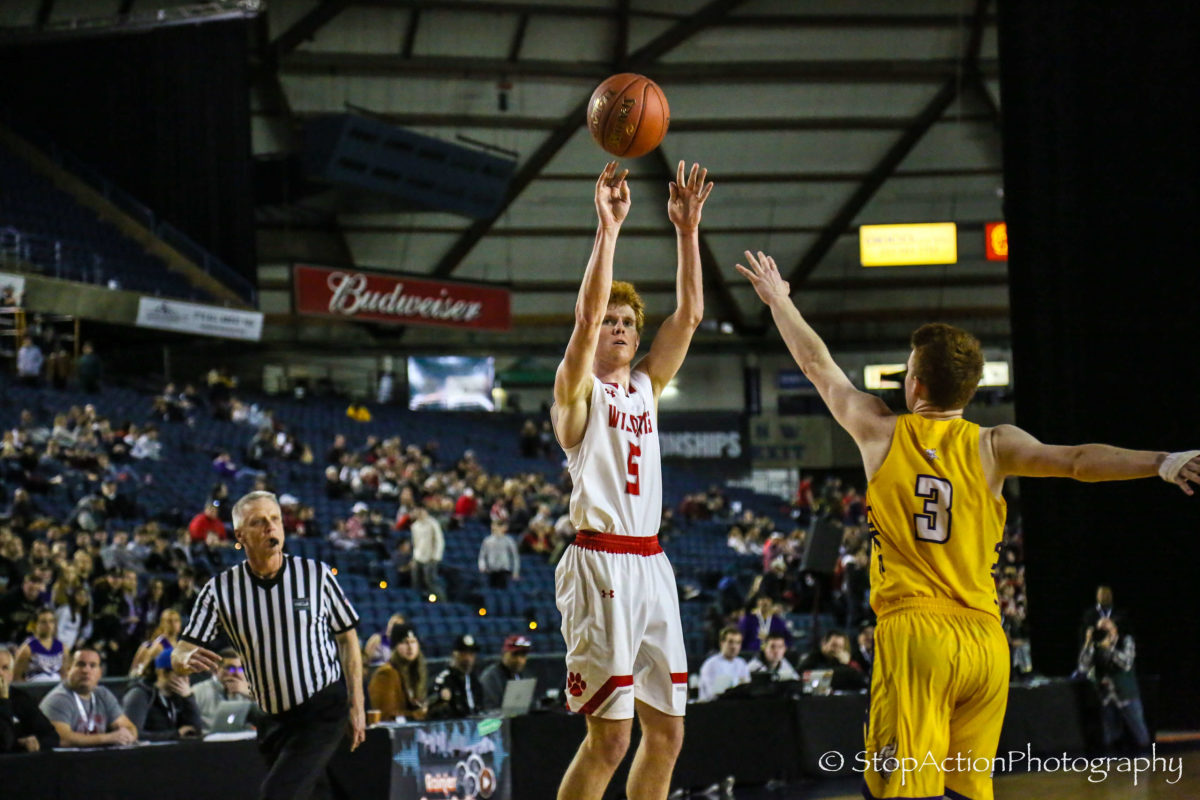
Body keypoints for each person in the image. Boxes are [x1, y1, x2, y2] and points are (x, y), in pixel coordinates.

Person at [737, 250, 1200, 800]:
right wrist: (1161, 462)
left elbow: (818, 365)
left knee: (898, 792)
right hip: (985, 639)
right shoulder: (993, 445)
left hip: (916, 634)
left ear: (915, 386)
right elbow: (1077, 461)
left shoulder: (880, 432)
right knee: (963, 793)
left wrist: (780, 301)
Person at [552, 159, 712, 800]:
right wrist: (608, 227)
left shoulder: (647, 385)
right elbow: (585, 318)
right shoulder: (576, 391)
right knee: (610, 739)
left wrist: (687, 229)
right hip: (601, 566)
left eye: (627, 323)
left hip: (652, 565)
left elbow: (691, 314)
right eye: (611, 322)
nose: (617, 328)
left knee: (668, 734)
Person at [170, 491, 366, 800]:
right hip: (272, 717)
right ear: (240, 535)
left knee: (278, 794)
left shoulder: (315, 575)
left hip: (322, 707)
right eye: (258, 522)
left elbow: (347, 637)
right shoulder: (220, 591)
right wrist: (182, 659)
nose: (270, 527)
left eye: (275, 519)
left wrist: (357, 703)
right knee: (314, 793)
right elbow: (183, 648)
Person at [39, 647, 138, 748]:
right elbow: (62, 739)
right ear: (68, 669)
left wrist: (128, 736)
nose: (86, 670)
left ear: (100, 673)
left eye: (93, 665)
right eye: (80, 664)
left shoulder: (103, 694)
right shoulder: (58, 699)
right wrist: (109, 738)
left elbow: (129, 727)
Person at [1077, 616, 1150, 750]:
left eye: (1107, 627)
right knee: (1110, 741)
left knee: (1141, 737)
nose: (1104, 630)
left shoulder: (1125, 641)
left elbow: (1126, 663)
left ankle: (1148, 762)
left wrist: (1109, 649)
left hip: (1127, 696)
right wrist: (1088, 643)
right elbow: (1083, 667)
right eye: (1101, 628)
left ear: (1114, 629)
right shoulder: (1095, 644)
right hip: (1107, 698)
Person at [121, 647, 204, 741]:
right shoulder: (139, 694)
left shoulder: (179, 696)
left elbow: (196, 730)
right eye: (181, 674)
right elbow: (132, 734)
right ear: (162, 673)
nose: (186, 679)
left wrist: (188, 698)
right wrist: (175, 734)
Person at [0, 645, 59, 752]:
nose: (0, 673)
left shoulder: (20, 698)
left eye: (5, 668)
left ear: (11, 674)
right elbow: (4, 744)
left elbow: (52, 736)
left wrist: (37, 743)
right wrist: (3, 699)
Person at [368, 624, 427, 721]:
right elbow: (386, 715)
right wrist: (418, 714)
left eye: (413, 642)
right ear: (395, 647)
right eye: (404, 642)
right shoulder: (386, 674)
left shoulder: (414, 672)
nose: (410, 647)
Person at [192, 648, 254, 732]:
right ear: (215, 669)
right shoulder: (198, 691)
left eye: (241, 669)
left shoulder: (250, 691)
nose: (237, 674)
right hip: (208, 741)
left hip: (242, 739)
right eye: (230, 669)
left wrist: (251, 695)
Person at [426, 634, 483, 719]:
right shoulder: (443, 680)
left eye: (471, 654)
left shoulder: (475, 682)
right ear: (454, 654)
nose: (467, 659)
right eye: (463, 654)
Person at [479, 634, 534, 711]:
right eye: (514, 655)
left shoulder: (523, 675)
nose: (519, 660)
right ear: (504, 654)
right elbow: (490, 709)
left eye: (523, 655)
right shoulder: (491, 677)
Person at [13, 607, 68, 682]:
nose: (48, 625)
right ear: (35, 625)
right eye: (43, 622)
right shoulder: (27, 649)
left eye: (51, 621)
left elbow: (64, 675)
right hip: (34, 688)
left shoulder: (63, 648)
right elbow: (16, 677)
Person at [697, 627, 751, 701]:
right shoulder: (710, 664)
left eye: (738, 643)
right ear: (722, 643)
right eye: (730, 642)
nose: (734, 646)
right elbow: (711, 694)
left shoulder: (742, 664)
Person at [410, 506, 444, 597]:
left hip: (430, 558)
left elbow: (439, 541)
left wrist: (436, 557)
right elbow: (415, 543)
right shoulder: (414, 526)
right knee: (416, 582)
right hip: (418, 558)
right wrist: (414, 557)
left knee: (430, 582)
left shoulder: (433, 523)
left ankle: (442, 602)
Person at [478, 519, 521, 588]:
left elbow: (515, 557)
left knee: (502, 589)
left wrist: (515, 572)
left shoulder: (509, 541)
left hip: (504, 571)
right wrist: (482, 566)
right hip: (491, 570)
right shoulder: (487, 540)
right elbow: (482, 556)